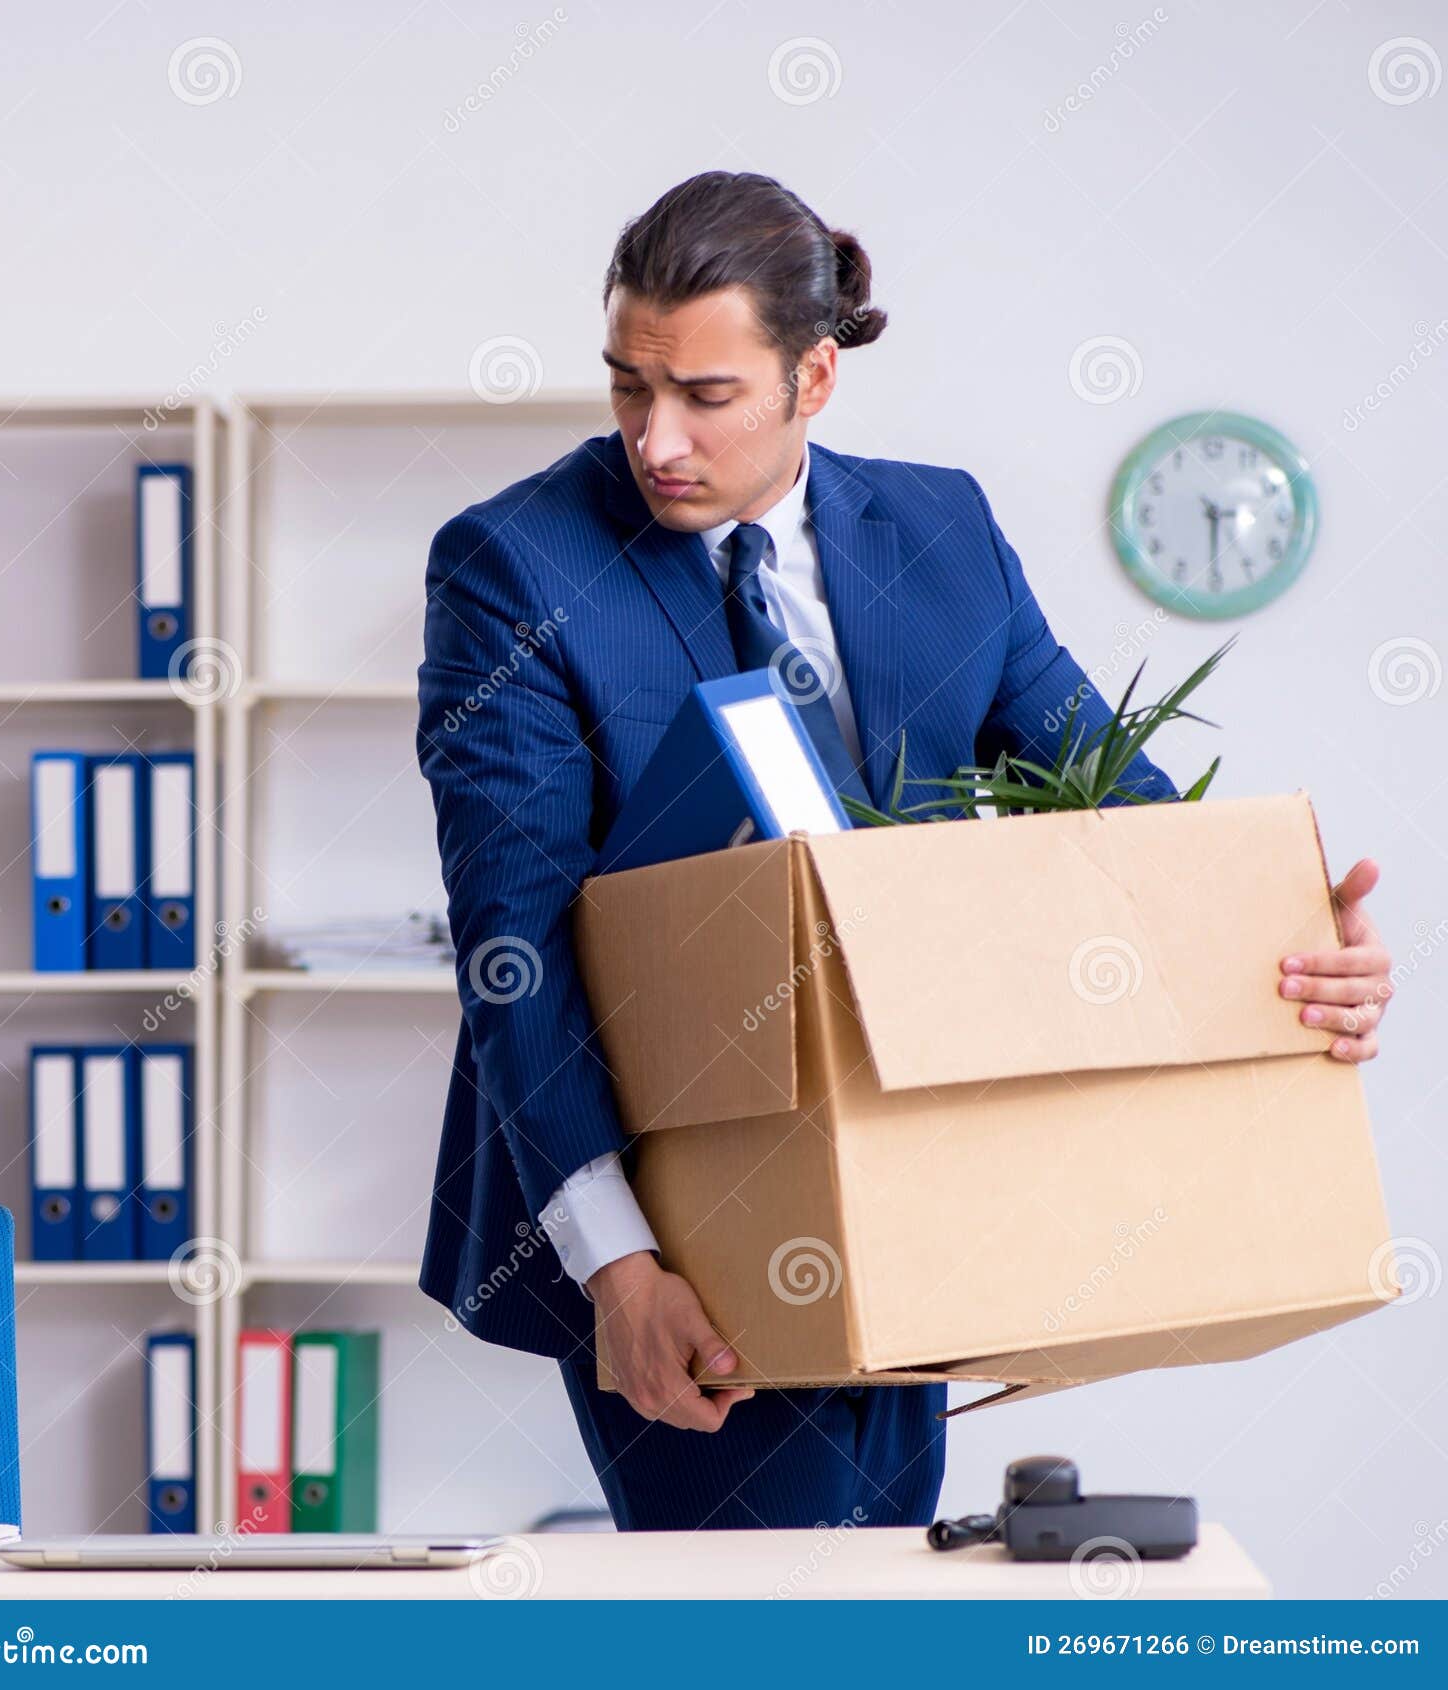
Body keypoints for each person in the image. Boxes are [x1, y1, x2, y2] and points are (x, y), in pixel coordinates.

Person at [415, 171, 1395, 1532]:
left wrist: (1285, 944)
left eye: (707, 395)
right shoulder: (515, 565)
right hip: (673, 1194)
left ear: (815, 376)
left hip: (913, 1164)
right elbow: (510, 936)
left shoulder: (940, 532)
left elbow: (1117, 809)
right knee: (767, 1596)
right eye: (629, 385)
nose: (657, 437)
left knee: (880, 1566)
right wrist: (618, 1269)